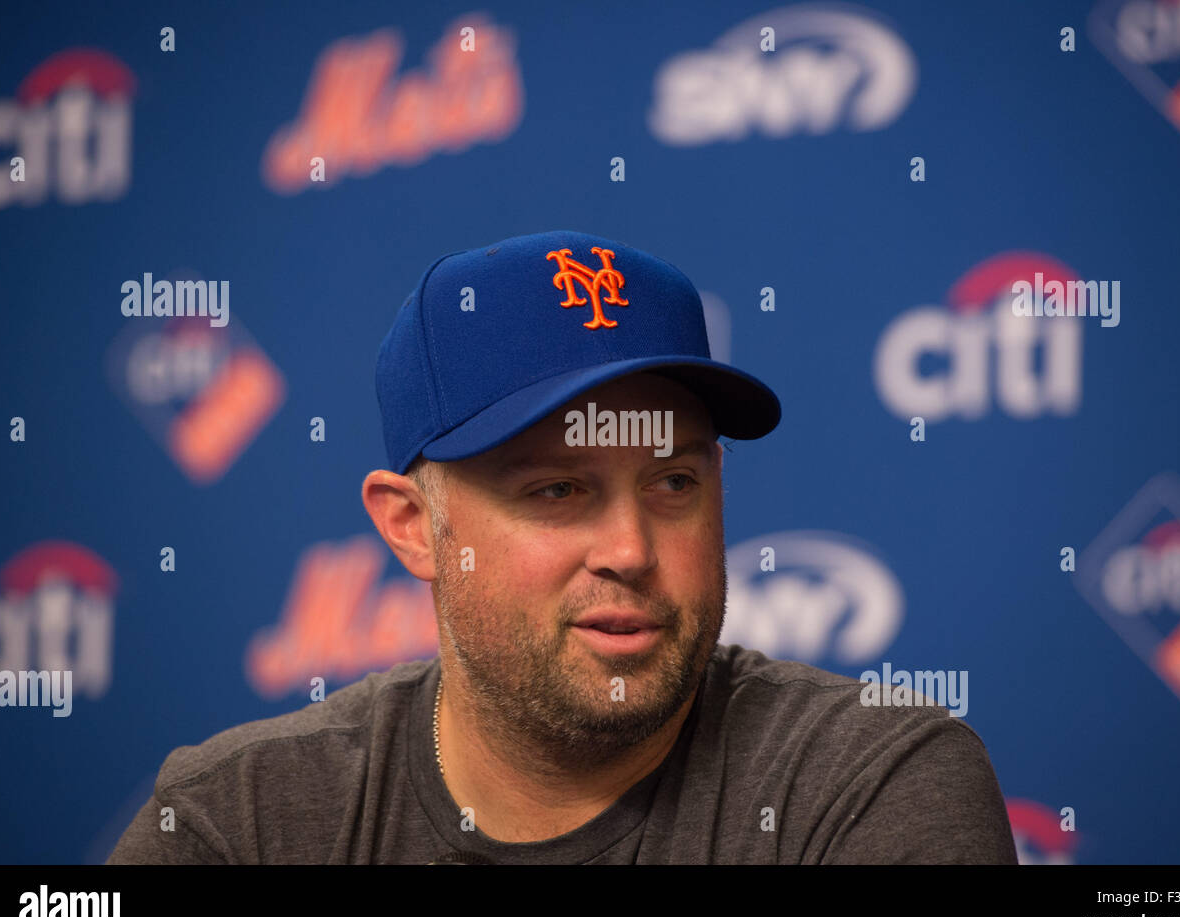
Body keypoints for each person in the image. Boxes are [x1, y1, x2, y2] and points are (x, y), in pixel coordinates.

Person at [107, 229, 1018, 864]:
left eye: (673, 483)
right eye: (557, 490)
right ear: (413, 525)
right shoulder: (243, 815)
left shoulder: (867, 779)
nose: (630, 548)